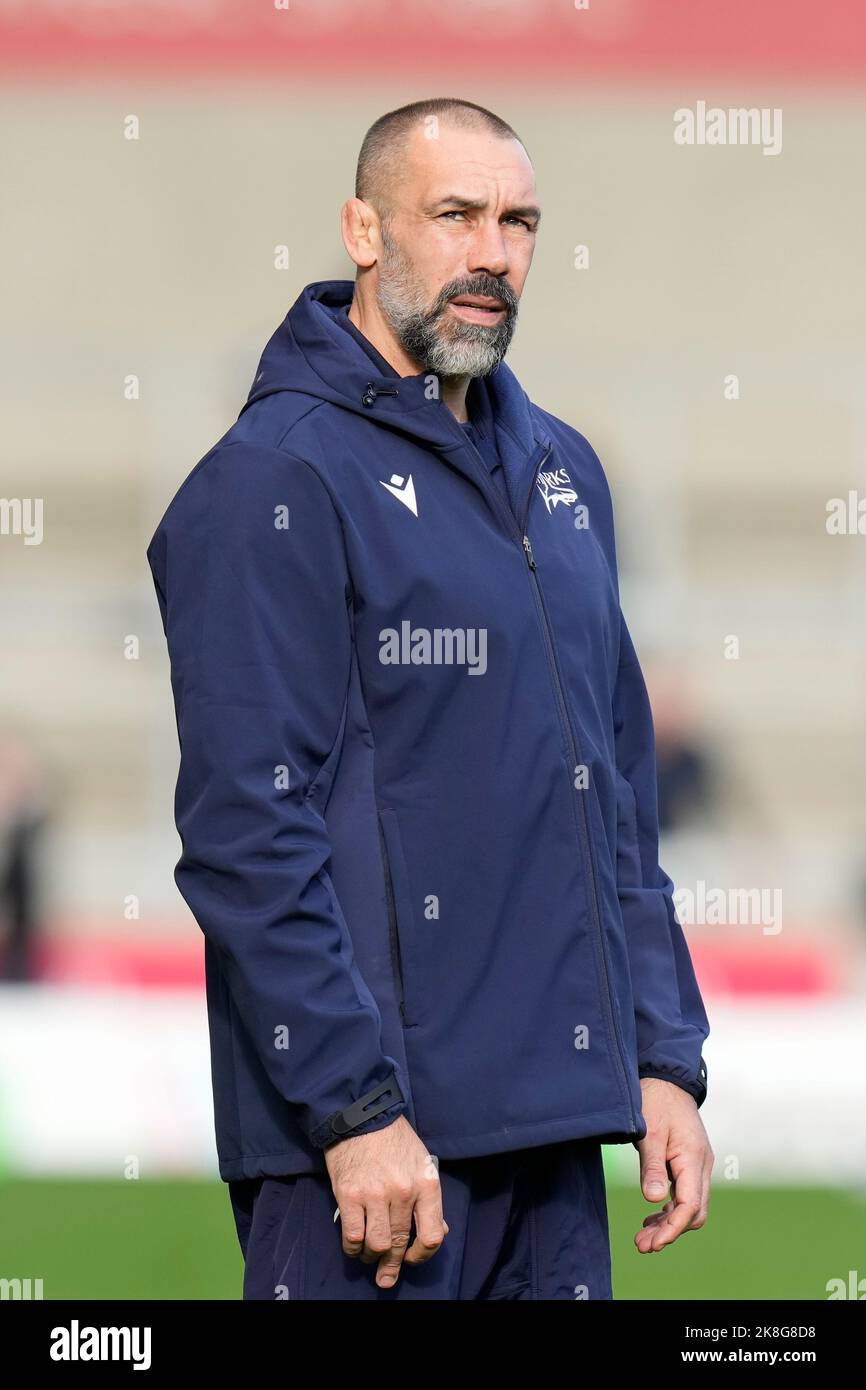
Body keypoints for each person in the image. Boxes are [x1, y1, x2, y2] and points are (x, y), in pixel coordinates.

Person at [146, 97, 713, 1301]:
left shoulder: (563, 471)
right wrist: (352, 1107)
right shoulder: (270, 480)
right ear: (363, 228)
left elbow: (612, 807)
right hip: (369, 1154)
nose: (491, 253)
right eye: (453, 215)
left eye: (517, 223)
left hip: (554, 1134)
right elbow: (249, 828)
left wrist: (661, 1056)